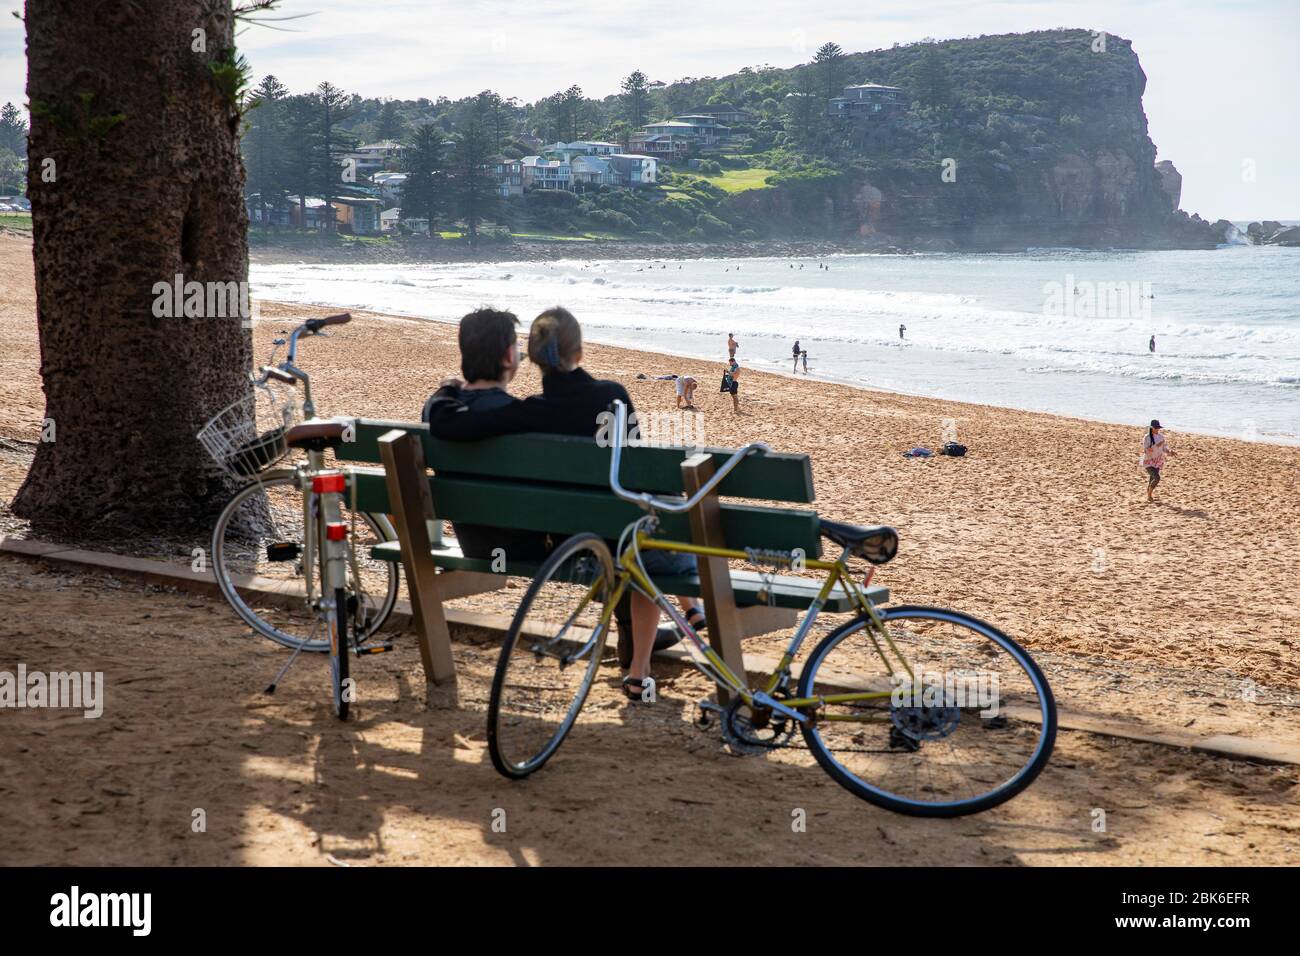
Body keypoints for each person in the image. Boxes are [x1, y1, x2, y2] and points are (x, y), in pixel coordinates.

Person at [424, 306, 706, 700]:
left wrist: (446, 390)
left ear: (532, 358)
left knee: (634, 536)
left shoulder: (527, 412)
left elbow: (448, 421)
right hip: (607, 546)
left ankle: (658, 646)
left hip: (563, 540)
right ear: (580, 351)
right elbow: (641, 475)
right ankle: (666, 638)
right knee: (646, 533)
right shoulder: (613, 397)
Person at [1141, 419, 1176, 502]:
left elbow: (1164, 448)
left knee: (1152, 478)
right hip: (1148, 460)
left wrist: (1170, 452)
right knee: (1157, 478)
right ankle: (1149, 495)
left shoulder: (1161, 437)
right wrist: (1157, 445)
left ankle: (1149, 495)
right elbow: (1147, 450)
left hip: (1158, 461)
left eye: (1158, 428)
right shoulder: (1147, 437)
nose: (1157, 429)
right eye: (1156, 428)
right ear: (1152, 427)